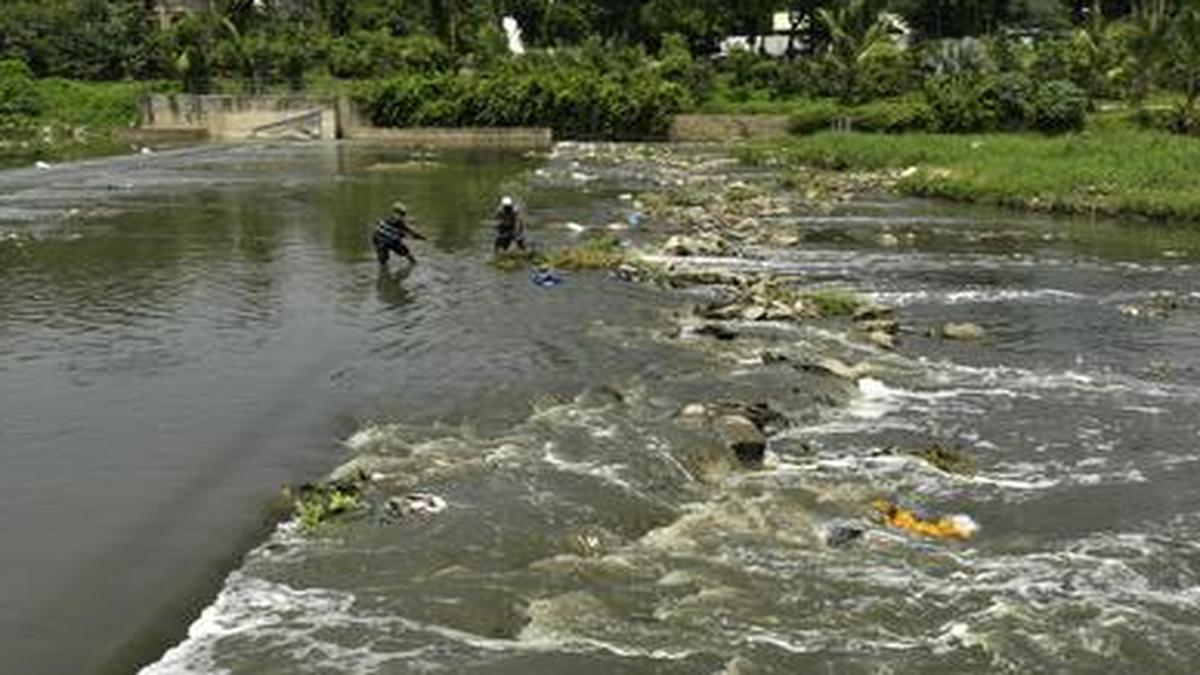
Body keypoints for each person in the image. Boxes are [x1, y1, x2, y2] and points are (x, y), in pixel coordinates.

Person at [372, 201, 426, 268]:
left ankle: (414, 265)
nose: (400, 216)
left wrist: (420, 237)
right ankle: (383, 272)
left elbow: (410, 232)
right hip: (382, 241)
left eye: (402, 214)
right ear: (393, 212)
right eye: (399, 213)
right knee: (383, 259)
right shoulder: (386, 221)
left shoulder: (400, 223)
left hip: (392, 241)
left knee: (407, 253)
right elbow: (375, 236)